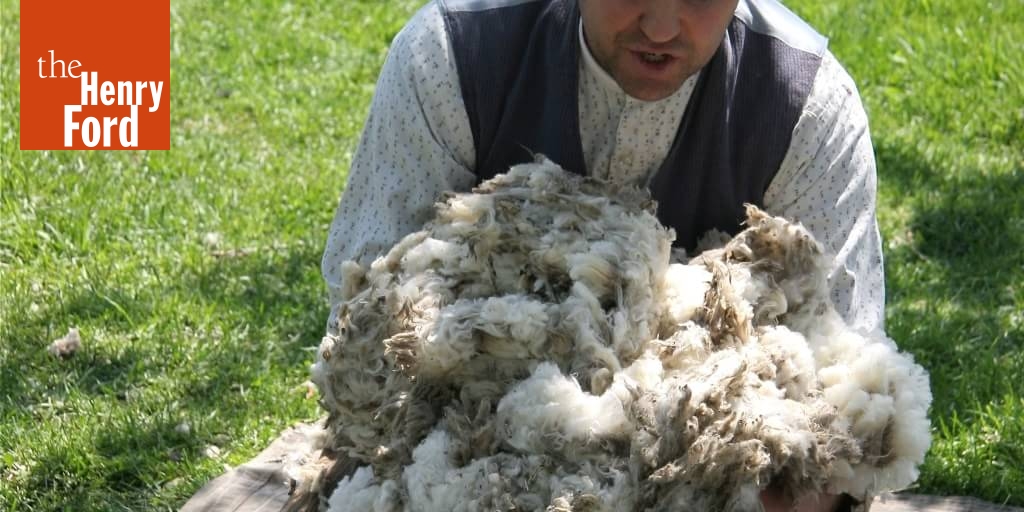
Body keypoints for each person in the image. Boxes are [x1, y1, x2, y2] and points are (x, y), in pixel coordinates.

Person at [322, 0, 883, 510]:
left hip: (704, 463)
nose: (661, 26)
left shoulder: (805, 106)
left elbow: (842, 374)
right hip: (468, 450)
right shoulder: (451, 59)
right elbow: (367, 324)